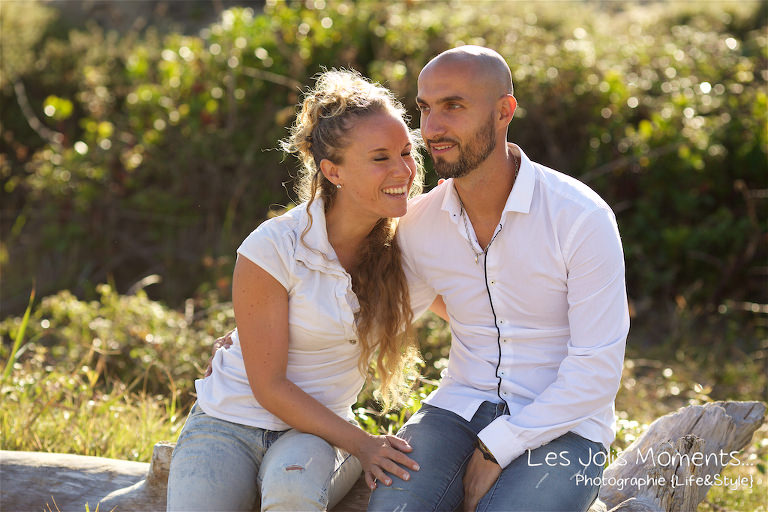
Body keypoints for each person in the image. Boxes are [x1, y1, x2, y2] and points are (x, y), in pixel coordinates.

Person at [366, 46, 630, 512]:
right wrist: (257, 341)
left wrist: (497, 447)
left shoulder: (581, 217)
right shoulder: (420, 222)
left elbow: (596, 372)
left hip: (568, 428)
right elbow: (373, 314)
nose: (431, 129)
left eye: (453, 106)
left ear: (504, 111)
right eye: (425, 109)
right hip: (458, 410)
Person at [166, 69, 426, 511]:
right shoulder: (275, 245)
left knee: (292, 495)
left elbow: (480, 313)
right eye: (380, 158)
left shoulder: (417, 247)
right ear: (333, 170)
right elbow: (268, 386)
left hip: (317, 434)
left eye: (406, 152)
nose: (404, 170)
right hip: (228, 419)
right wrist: (365, 444)